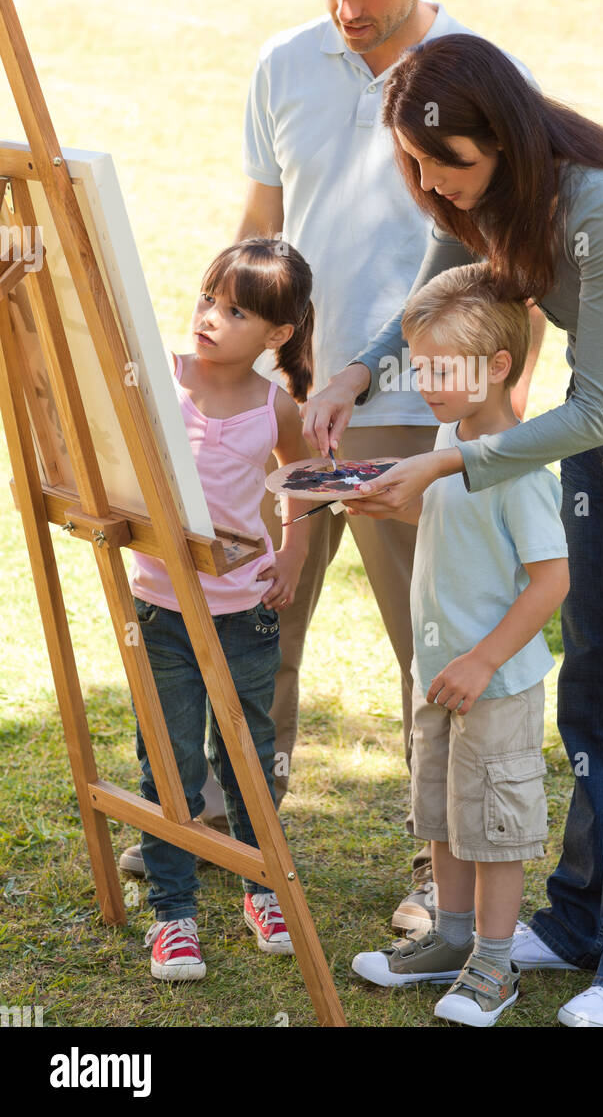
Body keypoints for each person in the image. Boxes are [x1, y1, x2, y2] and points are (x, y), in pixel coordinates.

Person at [303, 33, 603, 1027]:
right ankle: (581, 919)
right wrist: (354, 375)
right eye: (416, 164)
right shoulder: (475, 194)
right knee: (589, 681)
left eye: (448, 163)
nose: (434, 185)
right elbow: (429, 301)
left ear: (503, 138)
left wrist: (446, 464)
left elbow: (595, 409)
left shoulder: (602, 201)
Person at [234, 0, 545, 930]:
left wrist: (491, 415)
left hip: (427, 405)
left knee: (433, 639)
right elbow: (260, 225)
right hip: (297, 397)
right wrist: (241, 367)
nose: (347, 7)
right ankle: (240, 825)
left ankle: (439, 865)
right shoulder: (284, 63)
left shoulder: (480, 79)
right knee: (262, 618)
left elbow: (516, 260)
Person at [349, 264, 569, 1027]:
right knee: (443, 812)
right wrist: (390, 503)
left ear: (498, 366)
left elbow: (551, 580)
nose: (425, 384)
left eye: (441, 370)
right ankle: (449, 938)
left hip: (494, 686)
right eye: (419, 367)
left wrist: (483, 660)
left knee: (494, 828)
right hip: (439, 676)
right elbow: (451, 520)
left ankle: (495, 965)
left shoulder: (521, 468)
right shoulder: (451, 436)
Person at [127, 238, 315, 981]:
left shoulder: (276, 406)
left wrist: (293, 551)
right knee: (168, 763)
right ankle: (173, 914)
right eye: (209, 299)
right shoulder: (159, 376)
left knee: (246, 758)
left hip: (244, 616)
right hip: (160, 611)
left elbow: (301, 475)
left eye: (235, 312)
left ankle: (262, 887)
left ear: (277, 334)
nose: (210, 316)